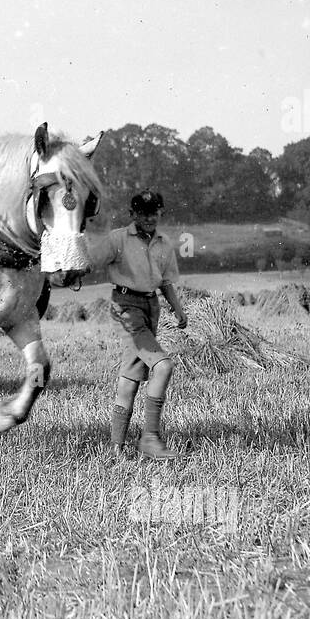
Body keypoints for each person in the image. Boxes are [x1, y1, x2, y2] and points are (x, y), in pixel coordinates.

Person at [97, 189, 188, 459]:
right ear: (132, 214)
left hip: (151, 308)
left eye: (154, 212)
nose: (149, 217)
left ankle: (115, 450)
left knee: (129, 381)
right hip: (125, 309)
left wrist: (178, 309)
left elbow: (165, 282)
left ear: (161, 212)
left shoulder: (163, 243)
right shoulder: (117, 240)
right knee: (163, 366)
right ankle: (149, 438)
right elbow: (91, 258)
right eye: (142, 213)